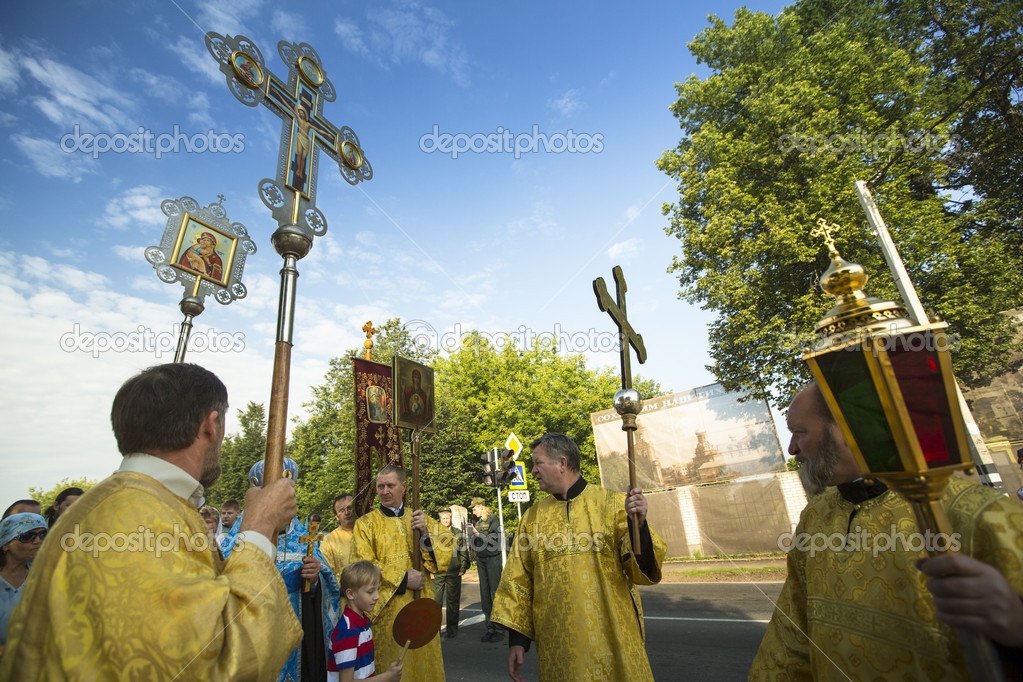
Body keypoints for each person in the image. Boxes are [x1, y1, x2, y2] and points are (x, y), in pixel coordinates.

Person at [0, 363, 303, 679]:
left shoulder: (130, 502)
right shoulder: (137, 518)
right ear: (210, 426)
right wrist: (259, 527)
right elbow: (215, 662)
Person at [749, 383, 1023, 679]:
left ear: (849, 429)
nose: (792, 448)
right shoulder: (815, 517)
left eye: (799, 432)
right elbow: (793, 638)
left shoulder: (980, 515)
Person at [491, 432, 666, 681]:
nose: (532, 471)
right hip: (558, 647)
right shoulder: (531, 518)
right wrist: (517, 641)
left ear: (562, 463)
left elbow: (642, 569)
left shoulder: (612, 505)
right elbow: (519, 580)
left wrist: (637, 525)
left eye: (538, 463)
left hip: (612, 639)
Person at [222, 458, 341, 682]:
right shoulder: (237, 537)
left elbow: (327, 587)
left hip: (294, 637)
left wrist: (315, 579)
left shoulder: (305, 537)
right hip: (250, 635)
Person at [349, 464, 451, 682]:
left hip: (420, 608)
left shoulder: (420, 519)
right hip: (388, 614)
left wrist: (425, 532)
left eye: (390, 486)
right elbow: (361, 565)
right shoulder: (366, 524)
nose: (384, 491)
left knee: (422, 666)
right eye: (380, 486)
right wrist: (403, 579)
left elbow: (444, 555)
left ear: (403, 486)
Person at [327, 560, 404, 681]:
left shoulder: (362, 623)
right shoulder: (349, 632)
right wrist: (387, 677)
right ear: (351, 594)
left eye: (378, 589)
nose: (377, 596)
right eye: (370, 591)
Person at [0, 513, 47, 657]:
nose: (37, 541)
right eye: (28, 536)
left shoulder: (44, 576)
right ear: (6, 544)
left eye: (42, 534)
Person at [469, 497, 504, 643]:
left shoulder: (492, 519)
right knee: (484, 594)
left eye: (474, 508)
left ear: (481, 507)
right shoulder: (479, 522)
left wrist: (478, 534)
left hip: (492, 559)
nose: (473, 511)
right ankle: (490, 627)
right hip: (482, 560)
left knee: (495, 592)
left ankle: (500, 627)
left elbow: (494, 540)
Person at [434, 508, 470, 639]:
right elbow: (429, 553)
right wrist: (430, 570)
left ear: (450, 519)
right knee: (436, 601)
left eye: (447, 518)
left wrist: (463, 568)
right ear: (440, 520)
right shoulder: (434, 533)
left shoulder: (458, 533)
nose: (445, 521)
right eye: (443, 518)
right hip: (438, 572)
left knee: (453, 601)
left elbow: (463, 552)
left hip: (454, 571)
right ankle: (435, 630)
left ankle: (452, 629)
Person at [321, 493, 357, 578]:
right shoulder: (329, 541)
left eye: (349, 508)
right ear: (337, 517)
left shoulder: (370, 531)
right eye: (341, 510)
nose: (347, 512)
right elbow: (326, 573)